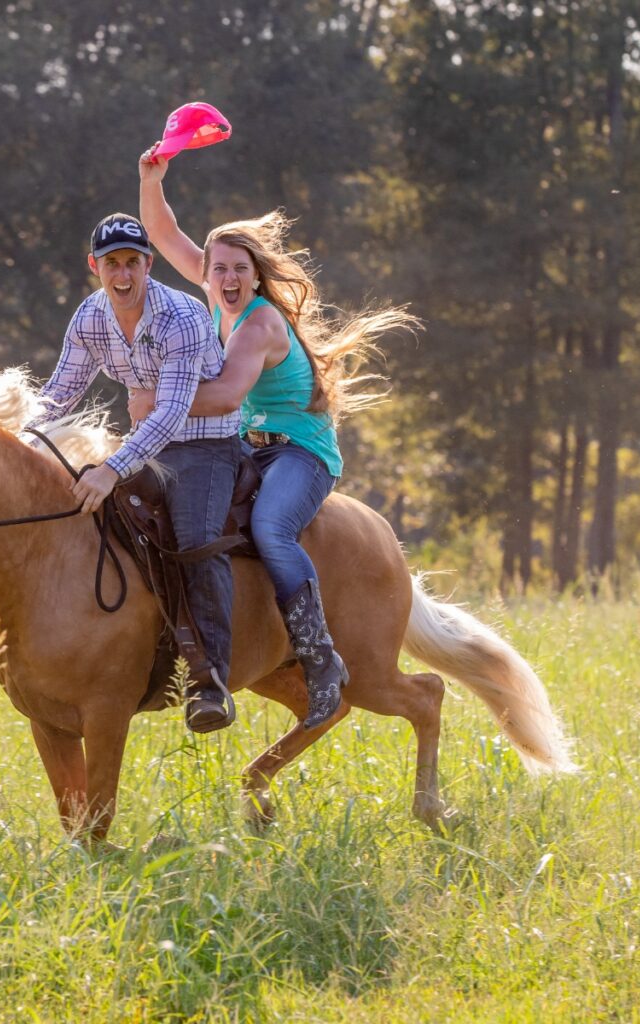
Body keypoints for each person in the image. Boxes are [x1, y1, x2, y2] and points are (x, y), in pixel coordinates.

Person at [135, 150, 415, 730]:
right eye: (219, 269)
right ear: (207, 274)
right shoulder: (216, 296)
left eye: (239, 269)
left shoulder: (259, 322)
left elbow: (227, 395)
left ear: (255, 274)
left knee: (269, 527)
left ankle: (319, 654)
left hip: (299, 452)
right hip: (248, 449)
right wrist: (151, 179)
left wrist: (156, 397)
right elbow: (162, 232)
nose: (228, 278)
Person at [25, 213, 244, 733]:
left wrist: (110, 469)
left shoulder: (184, 317)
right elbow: (60, 392)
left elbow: (170, 412)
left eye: (131, 263)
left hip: (206, 444)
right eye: (111, 264)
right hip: (149, 444)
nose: (121, 276)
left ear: (148, 263)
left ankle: (210, 679)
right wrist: (17, 435)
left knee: (193, 538)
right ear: (93, 266)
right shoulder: (88, 318)